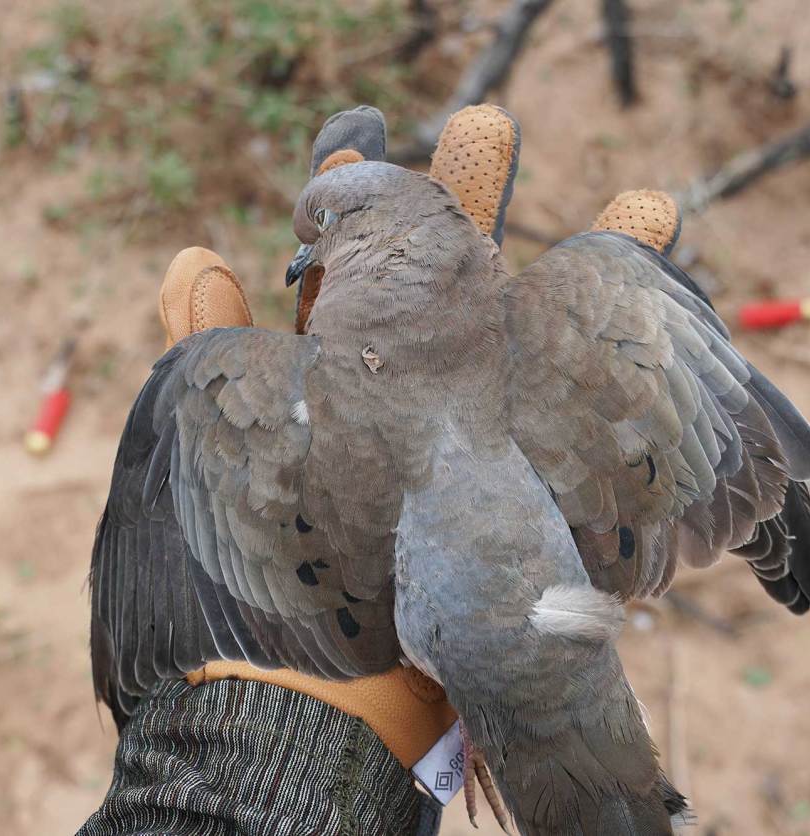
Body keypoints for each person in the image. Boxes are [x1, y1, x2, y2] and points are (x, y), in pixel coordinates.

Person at [76, 104, 682, 836]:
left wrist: (254, 749)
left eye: (319, 233)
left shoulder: (228, 390)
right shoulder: (575, 320)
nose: (304, 260)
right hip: (532, 594)